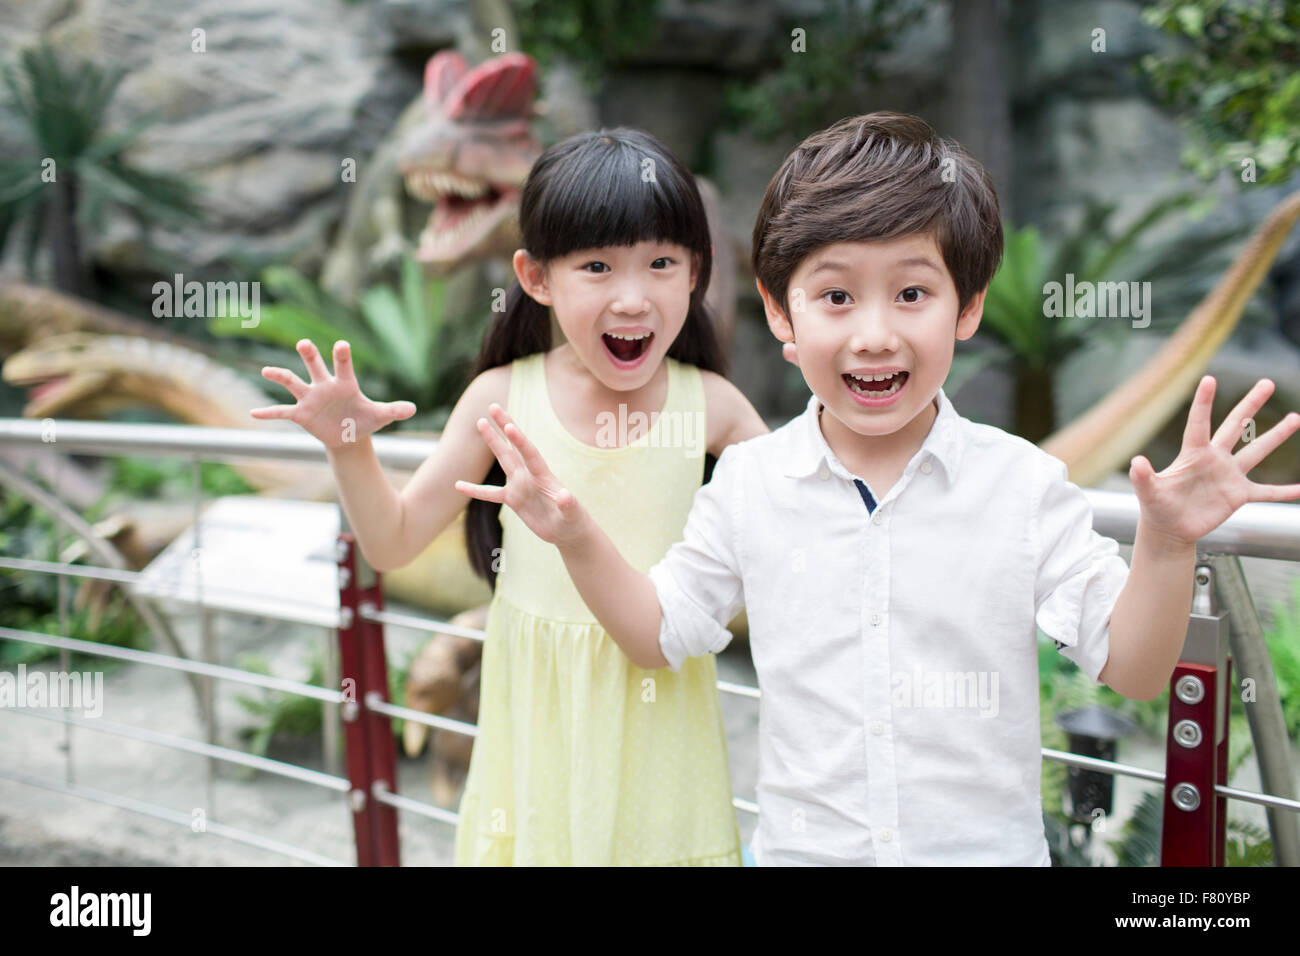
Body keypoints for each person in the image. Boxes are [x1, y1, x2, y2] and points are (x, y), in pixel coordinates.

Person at [456, 111, 1300, 865]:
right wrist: (572, 534)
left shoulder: (1023, 485)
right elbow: (656, 633)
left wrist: (1167, 542)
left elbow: (1136, 668)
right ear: (780, 314)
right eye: (834, 295)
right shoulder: (750, 483)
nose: (873, 335)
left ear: (966, 306)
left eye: (911, 292)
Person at [252, 127, 769, 865]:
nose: (633, 296)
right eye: (597, 266)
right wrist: (349, 449)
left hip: (661, 716)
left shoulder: (713, 406)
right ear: (535, 277)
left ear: (695, 272)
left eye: (660, 263)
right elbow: (394, 541)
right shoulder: (502, 398)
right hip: (538, 718)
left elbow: (804, 516)